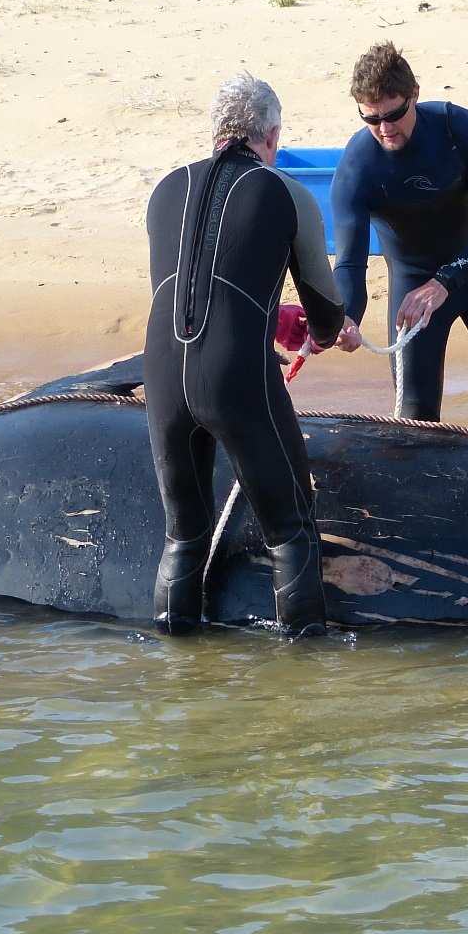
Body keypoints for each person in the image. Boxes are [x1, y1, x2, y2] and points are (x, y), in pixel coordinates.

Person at [143, 72, 355, 637]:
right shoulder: (287, 193)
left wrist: (277, 321)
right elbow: (325, 310)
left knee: (183, 535)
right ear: (272, 136)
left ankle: (178, 671)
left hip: (163, 375)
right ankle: (303, 669)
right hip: (236, 377)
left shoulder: (165, 191)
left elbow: (193, 295)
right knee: (289, 528)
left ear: (215, 131)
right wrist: (328, 329)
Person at [331, 42, 468, 432]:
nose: (384, 128)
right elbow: (349, 260)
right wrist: (345, 314)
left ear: (414, 94)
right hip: (413, 286)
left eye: (393, 114)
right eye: (371, 119)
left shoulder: (458, 129)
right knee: (417, 413)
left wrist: (446, 280)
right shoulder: (358, 166)